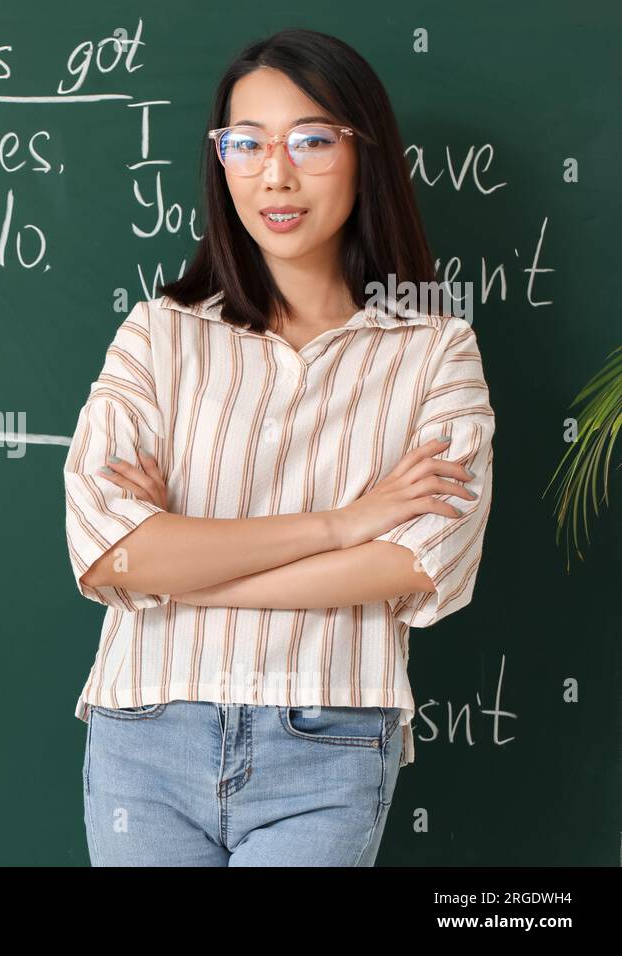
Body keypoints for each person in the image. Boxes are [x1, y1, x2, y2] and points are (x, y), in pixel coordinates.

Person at [62, 28, 495, 866]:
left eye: (310, 141)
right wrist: (344, 525)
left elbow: (420, 563)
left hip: (329, 738)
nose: (275, 173)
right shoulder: (160, 335)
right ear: (220, 160)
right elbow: (108, 548)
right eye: (245, 143)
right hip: (146, 735)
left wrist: (182, 571)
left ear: (363, 151)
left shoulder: (436, 351)